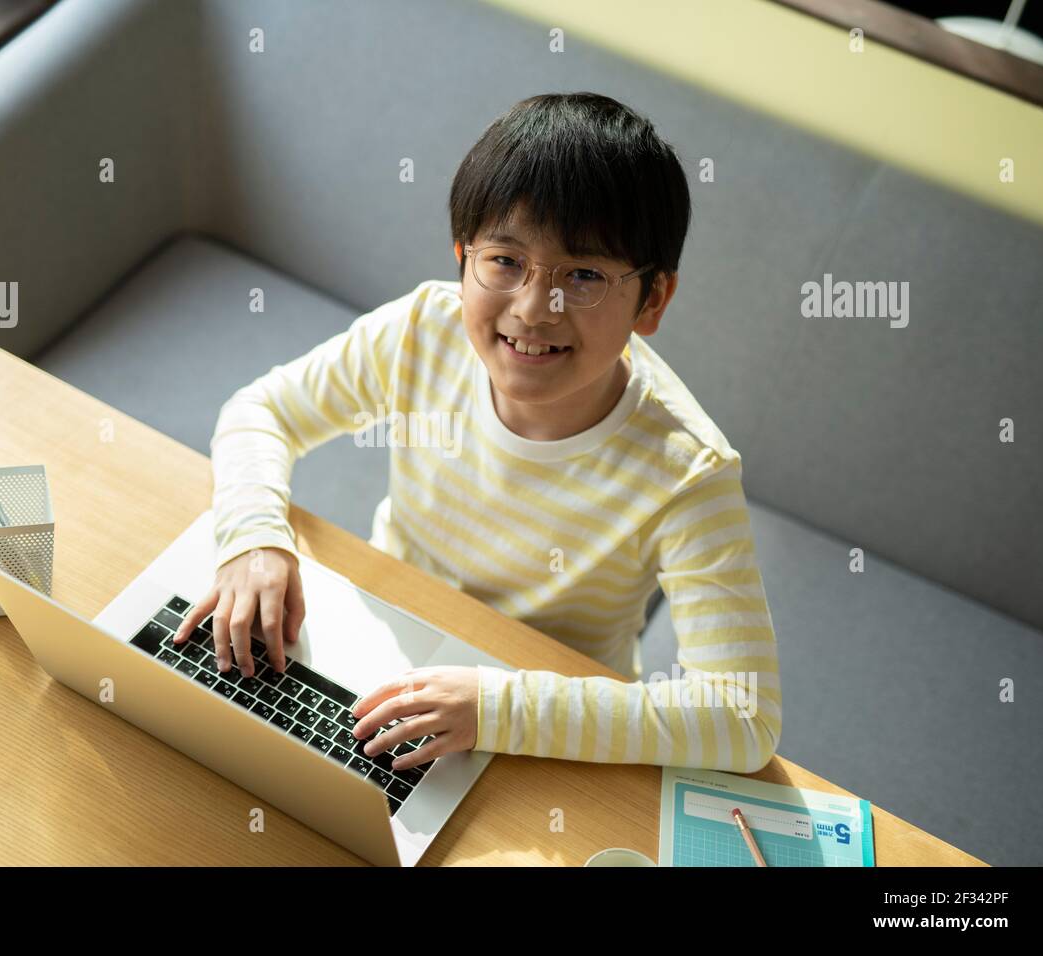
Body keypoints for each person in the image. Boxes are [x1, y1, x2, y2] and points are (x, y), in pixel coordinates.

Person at [173, 92, 781, 775]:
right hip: (382, 647)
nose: (533, 309)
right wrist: (253, 538)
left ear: (653, 300)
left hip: (546, 726)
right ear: (462, 257)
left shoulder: (688, 471)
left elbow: (743, 715)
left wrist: (497, 709)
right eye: (505, 261)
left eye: (583, 276)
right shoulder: (420, 333)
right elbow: (261, 412)